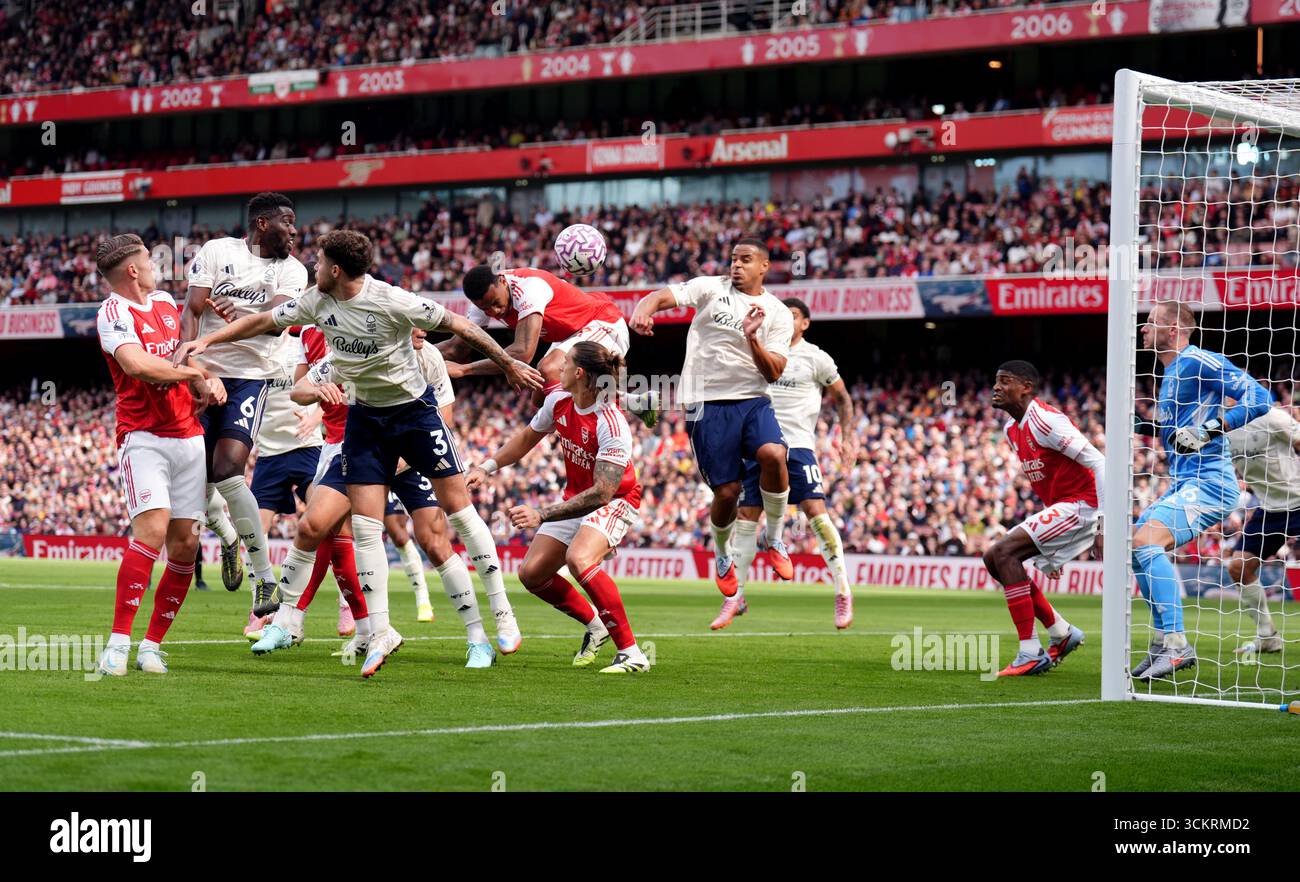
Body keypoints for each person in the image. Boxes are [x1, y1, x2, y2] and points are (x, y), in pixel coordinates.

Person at [175, 229, 543, 677]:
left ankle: (499, 615)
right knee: (365, 530)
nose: (311, 266)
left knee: (456, 516)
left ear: (335, 268)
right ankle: (379, 631)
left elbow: (462, 326)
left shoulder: (392, 300)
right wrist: (207, 342)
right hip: (366, 423)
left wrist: (508, 363)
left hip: (415, 417)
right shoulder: (316, 301)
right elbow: (264, 322)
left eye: (318, 260)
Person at [467, 342, 649, 673]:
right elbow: (525, 439)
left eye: (565, 363)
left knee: (578, 558)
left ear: (579, 373)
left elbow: (603, 493)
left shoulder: (611, 422)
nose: (558, 368)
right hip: (575, 498)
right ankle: (595, 625)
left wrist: (542, 514)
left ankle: (632, 653)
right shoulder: (558, 401)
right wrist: (486, 467)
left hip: (616, 500)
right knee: (531, 574)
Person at [630, 238, 795, 597]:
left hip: (753, 399)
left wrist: (752, 340)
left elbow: (774, 373)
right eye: (733, 259)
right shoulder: (710, 288)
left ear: (764, 266)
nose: (736, 265)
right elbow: (661, 296)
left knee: (774, 454)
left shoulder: (778, 312)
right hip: (705, 403)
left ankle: (777, 538)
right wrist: (645, 309)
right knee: (727, 492)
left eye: (746, 260)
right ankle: (722, 554)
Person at [93, 233, 223, 676]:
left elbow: (190, 348)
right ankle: (117, 643)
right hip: (144, 439)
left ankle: (151, 645)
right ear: (132, 269)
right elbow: (138, 365)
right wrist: (195, 374)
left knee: (185, 545)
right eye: (148, 259)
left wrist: (206, 376)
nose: (154, 265)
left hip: (189, 437)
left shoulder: (167, 302)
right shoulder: (113, 311)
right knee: (151, 531)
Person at [180, 192, 307, 618]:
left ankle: (264, 580)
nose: (295, 230)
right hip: (201, 374)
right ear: (263, 224)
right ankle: (229, 538)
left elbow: (275, 325)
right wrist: (193, 365)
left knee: (229, 468)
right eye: (287, 222)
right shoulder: (217, 251)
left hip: (249, 380)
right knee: (197, 485)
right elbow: (192, 310)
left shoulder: (293, 271)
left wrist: (243, 311)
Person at [1132, 301, 1271, 680]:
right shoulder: (1171, 373)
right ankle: (1163, 643)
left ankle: (1177, 647)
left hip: (1211, 483)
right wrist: (1145, 427)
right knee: (1135, 548)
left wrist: (1211, 429)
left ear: (1173, 329)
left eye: (1150, 323)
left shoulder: (1197, 361)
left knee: (1146, 543)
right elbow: (1178, 432)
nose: (1143, 329)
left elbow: (1260, 398)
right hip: (1186, 482)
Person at [711, 297, 858, 631]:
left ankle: (843, 591)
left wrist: (848, 437)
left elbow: (843, 398)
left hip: (800, 446)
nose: (787, 320)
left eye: (793, 316)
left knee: (815, 511)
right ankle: (737, 597)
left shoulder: (816, 357)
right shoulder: (762, 351)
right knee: (747, 515)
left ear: (805, 322)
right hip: (759, 444)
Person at [984, 361, 1097, 676]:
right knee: (993, 558)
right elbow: (1047, 482)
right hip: (1064, 507)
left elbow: (1101, 463)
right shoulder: (1011, 430)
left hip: (1086, 504)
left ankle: (1030, 652)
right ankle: (1061, 632)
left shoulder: (1046, 421)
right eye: (995, 381)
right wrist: (1053, 540)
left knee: (1004, 552)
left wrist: (1103, 522)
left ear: (1026, 387)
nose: (996, 387)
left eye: (1004, 381)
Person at [446, 264, 656, 424]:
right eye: (485, 309)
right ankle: (636, 403)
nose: (494, 312)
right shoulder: (482, 304)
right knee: (540, 399)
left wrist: (466, 369)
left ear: (502, 281)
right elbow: (456, 348)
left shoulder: (528, 288)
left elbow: (522, 354)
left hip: (601, 322)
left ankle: (584, 432)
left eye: (495, 303)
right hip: (570, 333)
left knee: (549, 369)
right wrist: (417, 352)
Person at [1225, 405, 1297, 656]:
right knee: (1238, 567)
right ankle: (1267, 636)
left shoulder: (1272, 416)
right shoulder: (1218, 428)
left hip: (1299, 500)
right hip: (1269, 509)